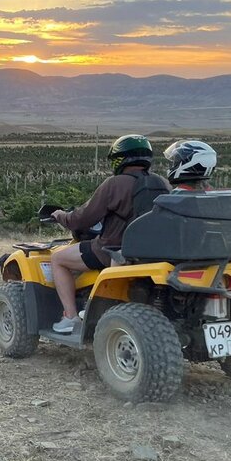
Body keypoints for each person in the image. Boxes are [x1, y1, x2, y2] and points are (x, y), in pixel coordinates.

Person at [49, 135, 171, 334]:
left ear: (119, 159)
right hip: (154, 251)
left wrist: (62, 215)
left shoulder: (115, 184)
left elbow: (82, 219)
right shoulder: (162, 183)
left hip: (112, 249)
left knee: (57, 258)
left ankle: (70, 317)